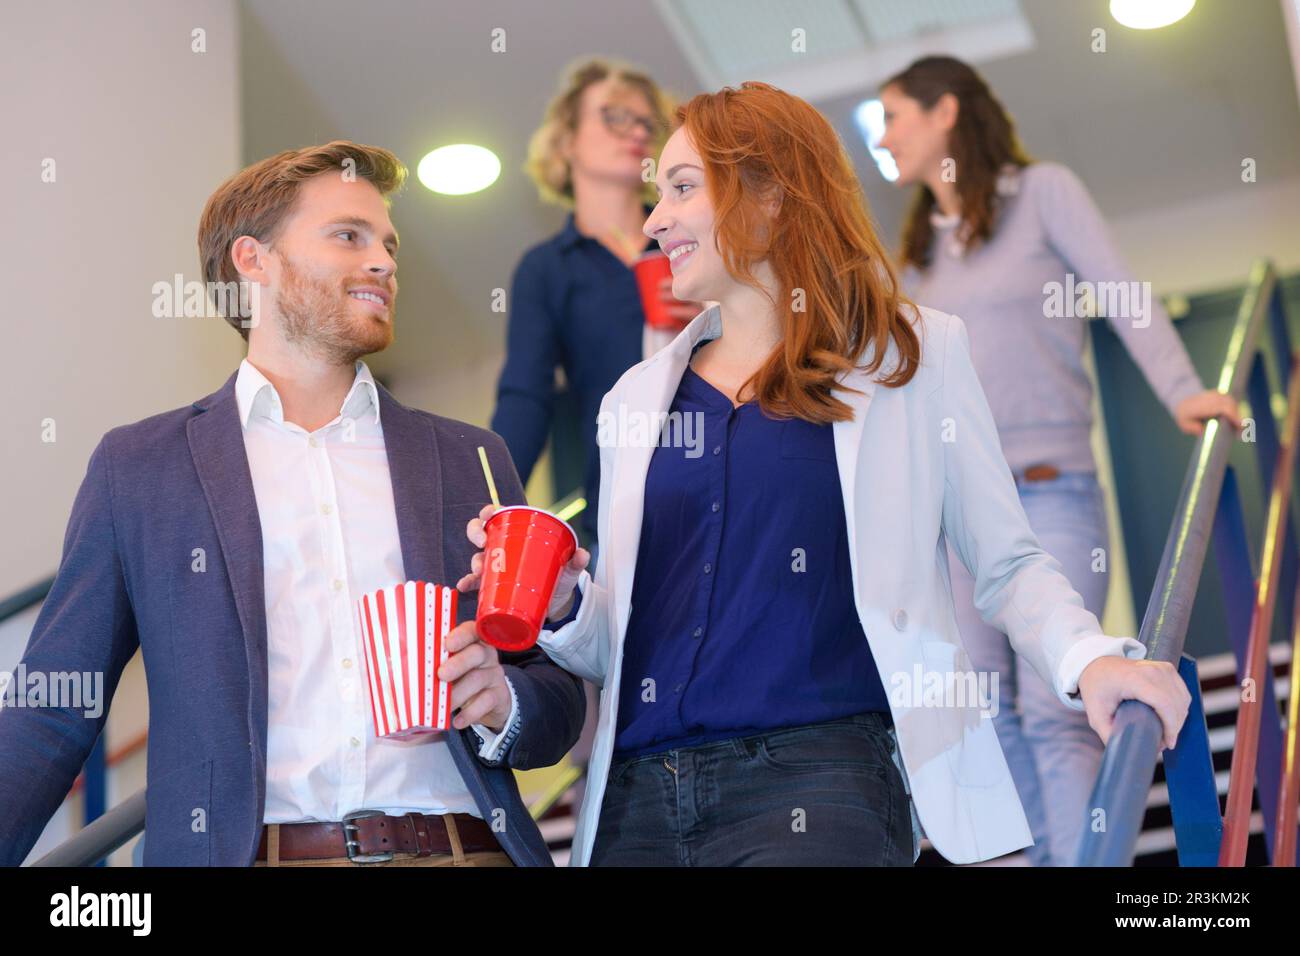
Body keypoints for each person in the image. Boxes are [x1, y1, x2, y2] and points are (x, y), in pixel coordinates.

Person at [457, 83, 1195, 867]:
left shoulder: (910, 356)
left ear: (770, 193)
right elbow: (622, 643)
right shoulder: (634, 399)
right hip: (635, 802)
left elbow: (1007, 561)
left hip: (819, 782)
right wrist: (570, 600)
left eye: (680, 189)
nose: (653, 220)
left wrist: (1092, 658)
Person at [0, 141, 585, 867]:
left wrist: (503, 700)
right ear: (254, 260)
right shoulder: (141, 469)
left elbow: (555, 698)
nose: (384, 262)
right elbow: (55, 707)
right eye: (349, 236)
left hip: (465, 849)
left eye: (389, 244)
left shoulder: (472, 459)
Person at [875, 55, 1241, 865]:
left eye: (893, 115)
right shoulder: (916, 258)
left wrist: (1183, 390)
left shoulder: (1044, 194)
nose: (884, 137)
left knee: (1054, 702)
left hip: (1050, 492)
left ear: (943, 113)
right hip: (954, 522)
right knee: (989, 712)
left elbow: (1122, 291)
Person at [491, 56, 698, 550]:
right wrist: (486, 503)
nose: (638, 131)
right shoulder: (546, 268)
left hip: (718, 470)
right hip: (618, 500)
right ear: (566, 141)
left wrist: (715, 315)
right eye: (614, 115)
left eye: (647, 121)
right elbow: (526, 400)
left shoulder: (693, 230)